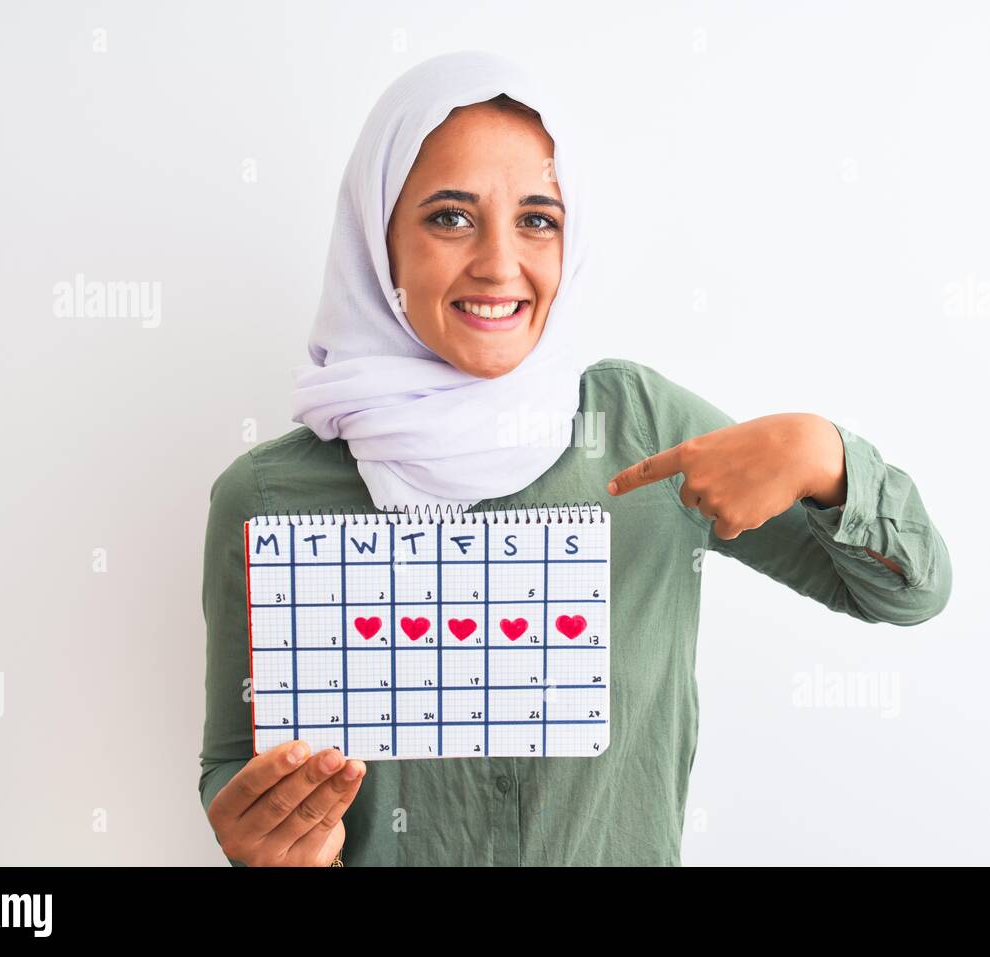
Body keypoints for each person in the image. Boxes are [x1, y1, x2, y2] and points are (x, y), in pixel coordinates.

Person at [198, 51, 952, 867]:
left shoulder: (642, 429)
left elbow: (909, 593)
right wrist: (262, 838)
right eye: (450, 217)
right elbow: (236, 764)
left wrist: (823, 455)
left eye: (537, 219)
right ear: (378, 240)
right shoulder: (267, 496)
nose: (498, 263)